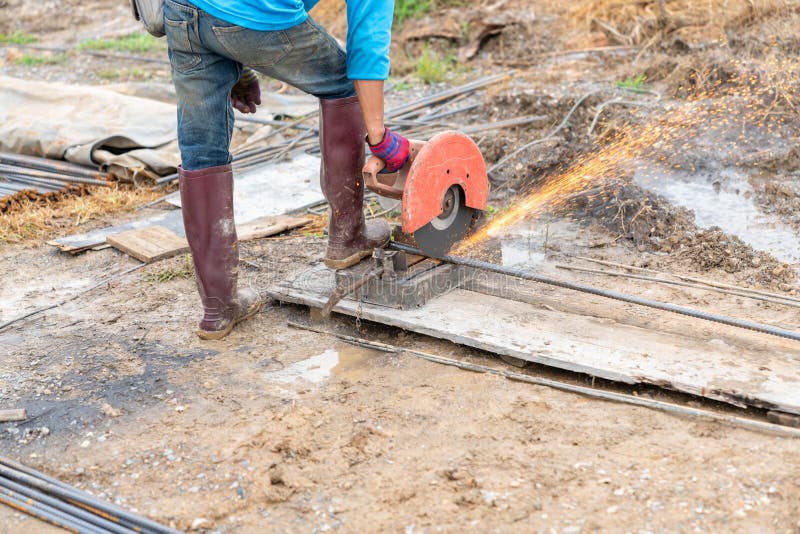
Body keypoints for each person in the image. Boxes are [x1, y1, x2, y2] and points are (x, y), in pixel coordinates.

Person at [163, 0, 411, 340]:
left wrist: (235, 56)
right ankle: (348, 237)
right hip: (252, 13)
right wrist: (379, 137)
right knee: (342, 82)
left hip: (181, 12)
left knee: (201, 147)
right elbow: (367, 46)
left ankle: (218, 308)